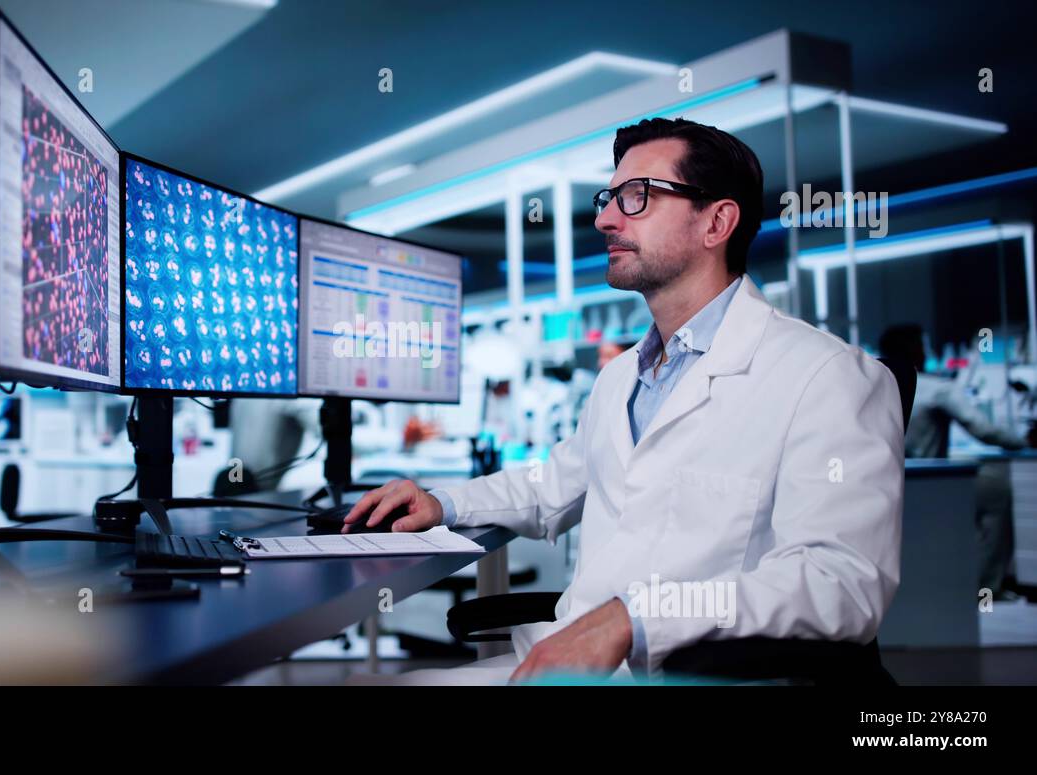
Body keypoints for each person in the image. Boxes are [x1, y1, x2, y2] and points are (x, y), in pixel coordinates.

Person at [345, 117, 904, 684]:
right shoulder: (623, 377)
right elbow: (548, 487)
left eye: (638, 197)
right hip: (574, 667)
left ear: (717, 222)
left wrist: (634, 620)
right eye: (609, 198)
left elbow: (842, 584)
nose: (605, 218)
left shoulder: (826, 376)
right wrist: (441, 504)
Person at [879, 323, 1037, 598]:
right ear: (916, 351)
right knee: (997, 491)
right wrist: (1025, 442)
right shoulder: (938, 389)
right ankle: (988, 586)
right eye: (922, 346)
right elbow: (984, 430)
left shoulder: (873, 387)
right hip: (931, 484)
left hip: (888, 485)